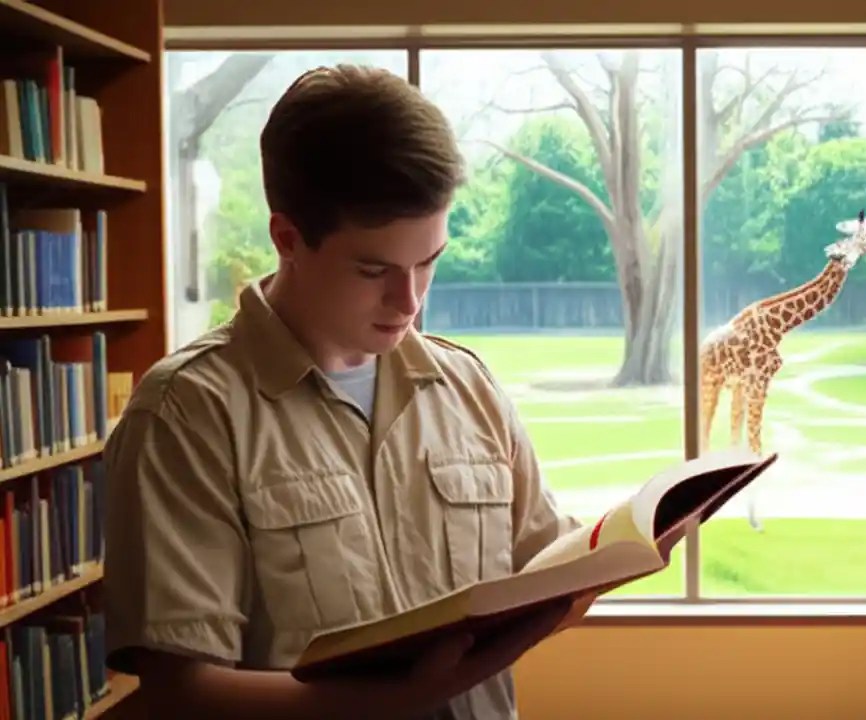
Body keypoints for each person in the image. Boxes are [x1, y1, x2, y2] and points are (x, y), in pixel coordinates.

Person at [101, 64, 591, 720]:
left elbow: (544, 574)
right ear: (287, 238)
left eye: (429, 262)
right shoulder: (187, 415)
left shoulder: (468, 386)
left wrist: (607, 559)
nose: (410, 300)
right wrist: (399, 696)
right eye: (374, 269)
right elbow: (182, 689)